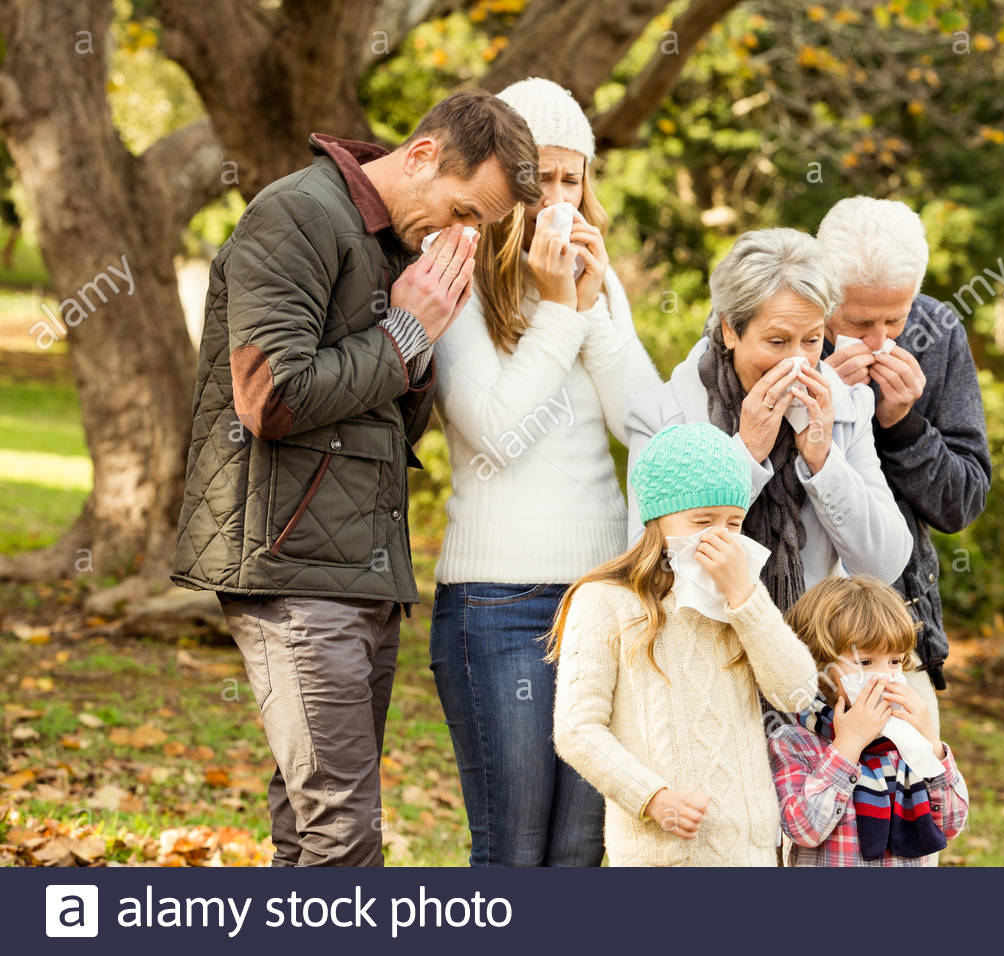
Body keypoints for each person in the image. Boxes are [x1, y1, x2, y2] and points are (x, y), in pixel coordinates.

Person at [172, 89, 541, 866]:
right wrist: (406, 330)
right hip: (290, 564)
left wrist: (419, 339)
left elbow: (390, 428)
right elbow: (272, 396)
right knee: (344, 833)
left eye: (481, 226)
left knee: (308, 831)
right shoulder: (298, 215)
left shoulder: (400, 248)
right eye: (466, 211)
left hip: (362, 571)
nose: (465, 237)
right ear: (421, 156)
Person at [427, 78, 661, 866]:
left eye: (573, 179)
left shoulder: (597, 283)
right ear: (508, 179)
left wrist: (591, 311)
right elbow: (494, 433)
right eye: (542, 178)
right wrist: (560, 311)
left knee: (582, 855)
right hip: (498, 601)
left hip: (600, 595)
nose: (558, 198)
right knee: (515, 854)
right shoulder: (451, 266)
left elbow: (648, 428)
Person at [549, 422, 818, 866]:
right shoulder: (604, 600)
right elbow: (577, 730)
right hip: (661, 856)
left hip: (750, 856)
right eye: (702, 521)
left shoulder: (740, 597)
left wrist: (746, 599)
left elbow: (798, 692)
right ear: (658, 517)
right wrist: (652, 797)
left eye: (733, 523)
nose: (719, 536)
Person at [624, 227, 912, 615]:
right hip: (708, 655)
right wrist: (744, 454)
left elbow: (885, 564)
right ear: (730, 329)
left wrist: (823, 459)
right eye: (777, 342)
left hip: (811, 655)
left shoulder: (846, 406)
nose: (796, 363)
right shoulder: (660, 415)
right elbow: (646, 571)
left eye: (811, 341)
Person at [817, 197, 992, 730]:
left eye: (894, 320)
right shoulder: (768, 321)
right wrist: (818, 394)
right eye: (858, 321)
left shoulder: (937, 333)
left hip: (893, 634)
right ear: (821, 294)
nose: (876, 340)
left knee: (911, 801)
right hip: (781, 622)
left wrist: (905, 428)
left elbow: (962, 503)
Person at [768, 575, 969, 866]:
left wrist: (931, 747)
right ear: (818, 663)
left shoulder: (905, 742)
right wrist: (848, 746)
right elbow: (803, 829)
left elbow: (951, 824)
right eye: (865, 662)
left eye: (895, 661)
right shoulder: (794, 742)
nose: (885, 677)